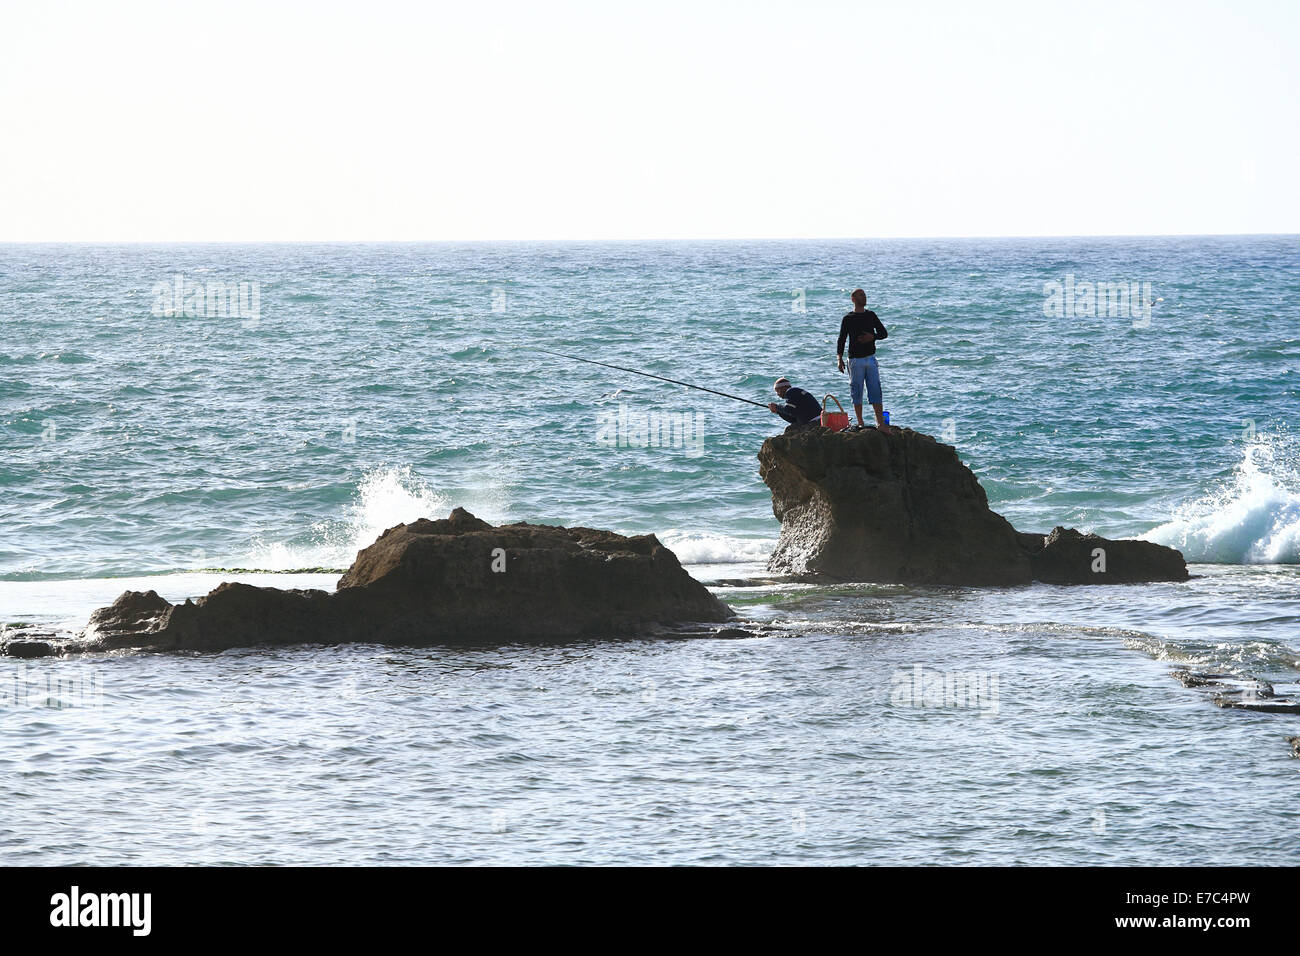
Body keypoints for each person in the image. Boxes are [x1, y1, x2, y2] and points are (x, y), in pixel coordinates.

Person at [836, 288, 891, 431]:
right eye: (861, 295)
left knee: (875, 391)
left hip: (870, 359)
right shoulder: (848, 318)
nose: (864, 297)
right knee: (856, 391)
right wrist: (839, 358)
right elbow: (842, 339)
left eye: (865, 295)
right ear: (853, 299)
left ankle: (881, 424)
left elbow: (884, 333)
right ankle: (860, 423)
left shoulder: (871, 315)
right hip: (854, 360)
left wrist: (872, 337)